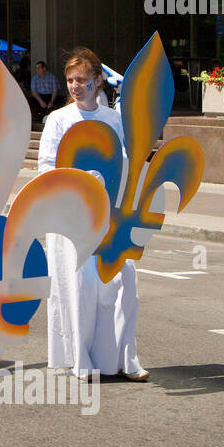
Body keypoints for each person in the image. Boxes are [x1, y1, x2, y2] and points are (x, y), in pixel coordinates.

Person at [39, 47, 148, 382]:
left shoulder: (114, 119)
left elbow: (125, 163)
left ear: (98, 81)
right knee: (81, 285)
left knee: (125, 281)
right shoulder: (59, 119)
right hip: (72, 218)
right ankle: (79, 357)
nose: (75, 85)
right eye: (70, 80)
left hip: (110, 216)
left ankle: (123, 357)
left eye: (82, 79)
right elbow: (46, 168)